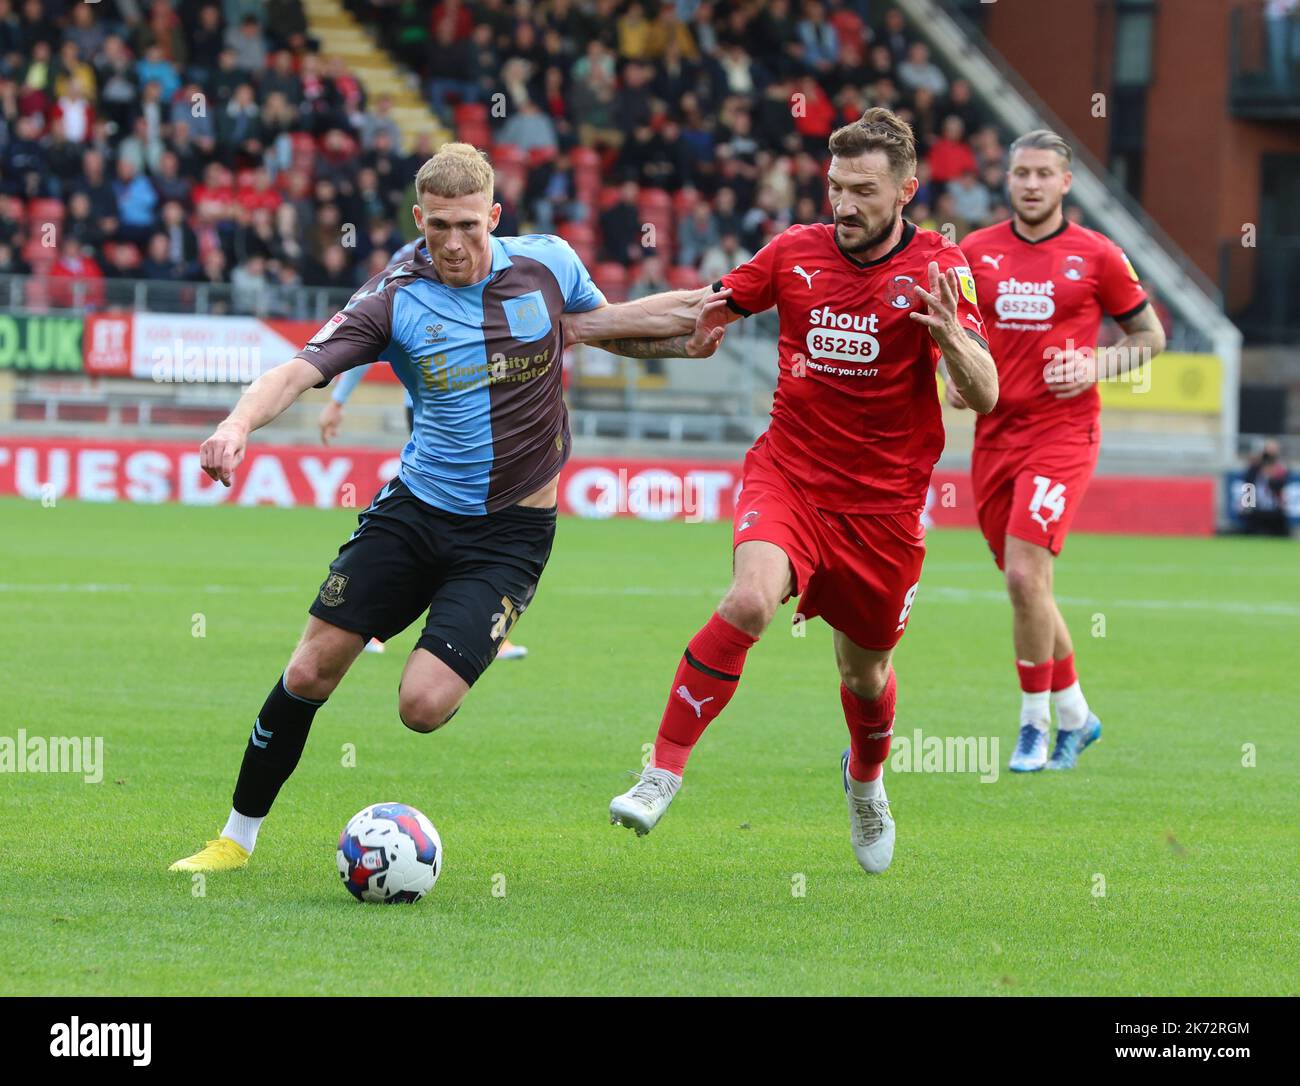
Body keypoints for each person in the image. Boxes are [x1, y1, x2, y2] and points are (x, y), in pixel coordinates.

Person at [170, 143, 731, 874]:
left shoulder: (548, 265)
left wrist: (693, 340)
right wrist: (236, 425)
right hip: (416, 512)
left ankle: (466, 628)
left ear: (494, 216)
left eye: (469, 224)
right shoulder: (393, 298)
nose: (455, 243)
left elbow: (604, 325)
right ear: (418, 220)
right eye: (439, 227)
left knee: (422, 707)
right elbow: (297, 371)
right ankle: (233, 841)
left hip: (510, 535)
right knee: (309, 673)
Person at [607, 108, 998, 875]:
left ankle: (865, 781)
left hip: (884, 511)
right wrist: (581, 327)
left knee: (865, 673)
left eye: (862, 190)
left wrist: (950, 333)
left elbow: (983, 395)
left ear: (907, 191)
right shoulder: (794, 252)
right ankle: (661, 771)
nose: (843, 204)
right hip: (789, 474)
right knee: (750, 599)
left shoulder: (942, 269)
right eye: (834, 186)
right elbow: (699, 306)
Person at [959, 130, 1166, 773]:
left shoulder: (1098, 255)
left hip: (1063, 434)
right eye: (1021, 172)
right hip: (995, 436)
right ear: (1008, 179)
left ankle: (1033, 724)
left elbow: (1151, 337)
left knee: (1025, 574)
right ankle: (1079, 715)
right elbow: (956, 332)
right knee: (1029, 587)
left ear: (1066, 183)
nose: (1030, 184)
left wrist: (1098, 364)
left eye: (1044, 174)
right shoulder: (973, 252)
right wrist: (957, 375)